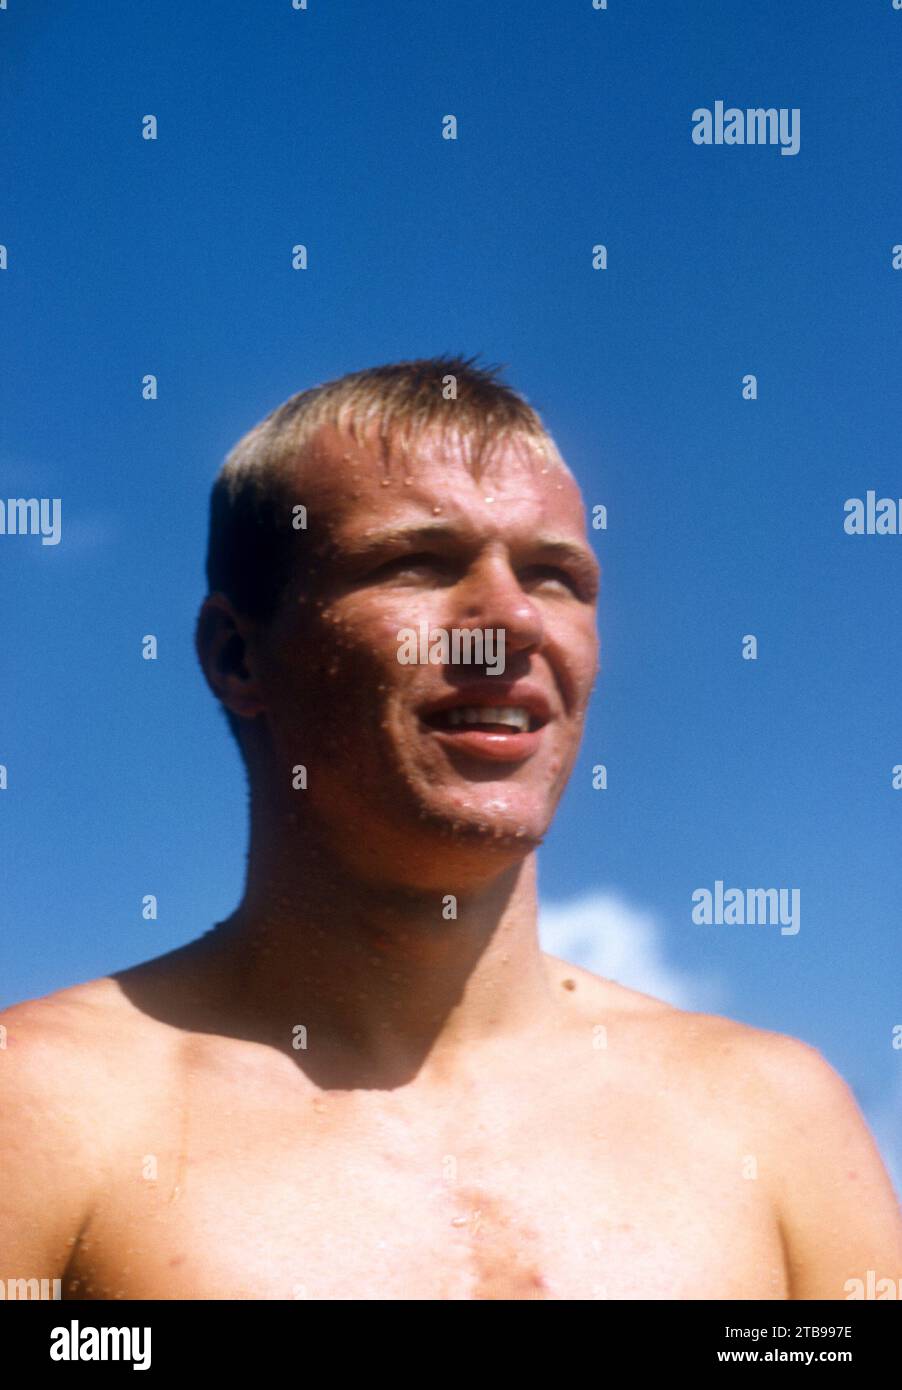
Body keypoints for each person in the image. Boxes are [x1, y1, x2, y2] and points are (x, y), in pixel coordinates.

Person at [1, 357, 899, 1301]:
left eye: (555, 577)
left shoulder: (772, 1121)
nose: (509, 620)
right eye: (417, 564)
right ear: (238, 656)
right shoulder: (46, 1111)